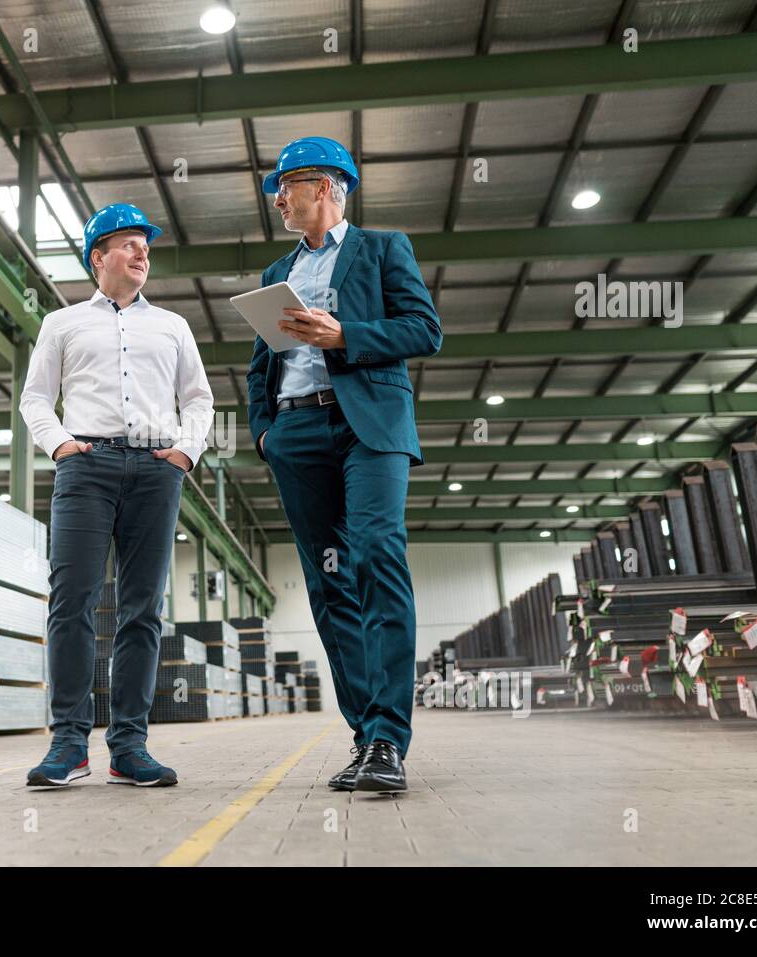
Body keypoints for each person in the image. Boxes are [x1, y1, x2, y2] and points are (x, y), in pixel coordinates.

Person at [246, 137, 442, 793]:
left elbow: (424, 328)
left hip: (369, 423)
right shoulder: (278, 271)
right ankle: (364, 737)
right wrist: (266, 430)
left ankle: (390, 736)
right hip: (297, 432)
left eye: (287, 185)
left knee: (376, 556)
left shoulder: (384, 249)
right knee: (329, 583)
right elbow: (259, 365)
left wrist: (347, 335)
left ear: (326, 187)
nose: (277, 197)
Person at [19, 203, 214, 787]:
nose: (142, 253)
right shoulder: (62, 323)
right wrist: (59, 447)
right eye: (129, 244)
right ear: (98, 257)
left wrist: (185, 453)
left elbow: (199, 399)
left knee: (142, 609)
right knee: (71, 602)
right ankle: (69, 744)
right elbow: (35, 398)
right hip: (86, 468)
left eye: (146, 247)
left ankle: (129, 746)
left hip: (157, 472)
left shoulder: (173, 326)